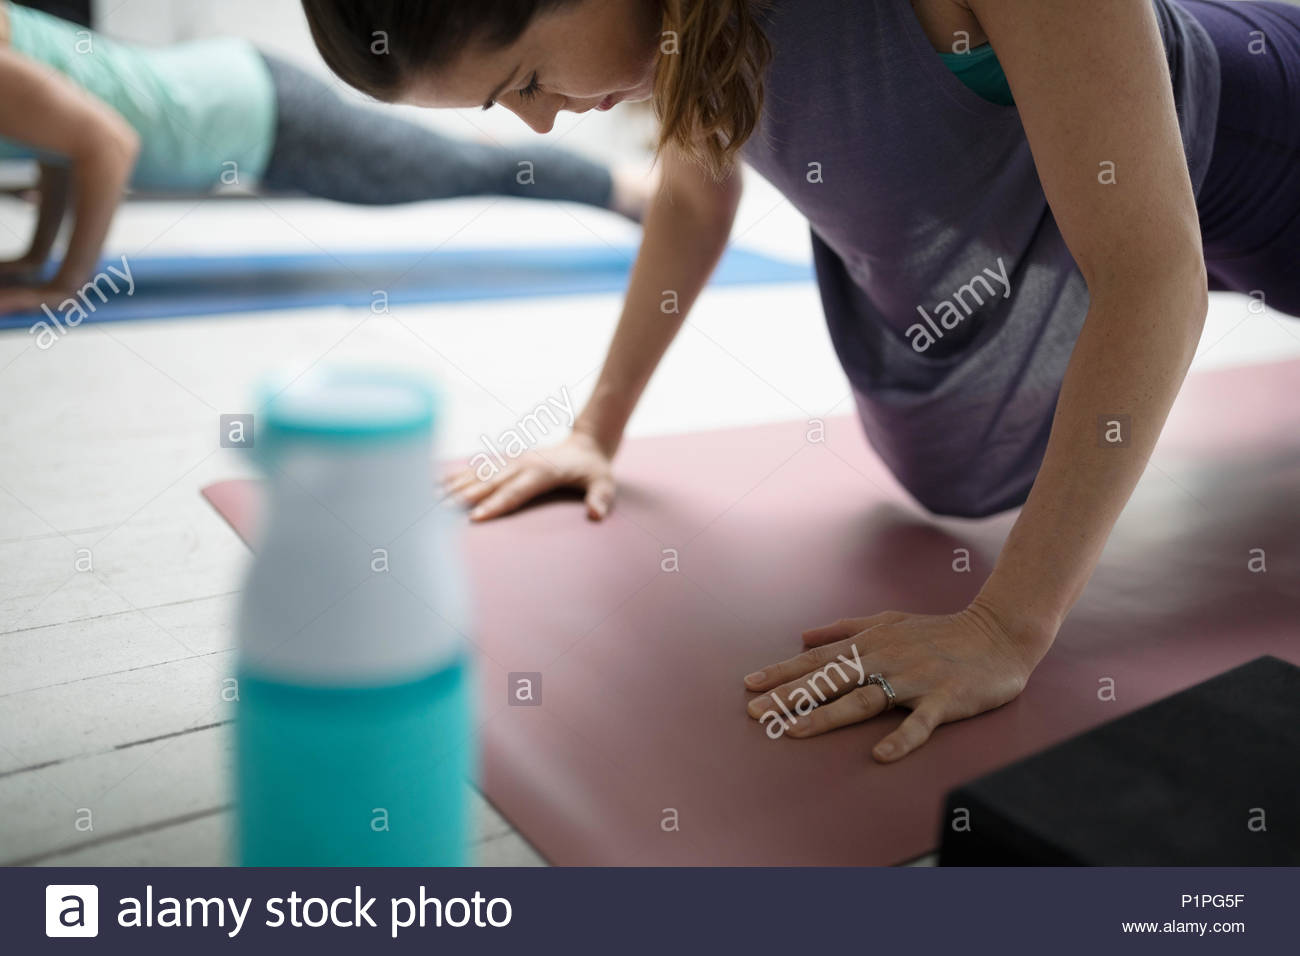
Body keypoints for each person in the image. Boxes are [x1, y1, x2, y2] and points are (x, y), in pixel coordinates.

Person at [302, 0, 1300, 762]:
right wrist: (594, 427)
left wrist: (1005, 624)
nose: (539, 126)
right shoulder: (692, 24)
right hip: (1150, 207)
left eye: (521, 80)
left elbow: (1148, 277)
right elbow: (696, 190)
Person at [0, 1, 650, 315]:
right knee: (450, 158)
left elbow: (105, 145)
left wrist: (65, 284)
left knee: (463, 168)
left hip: (263, 115)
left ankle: (630, 191)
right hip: (242, 97)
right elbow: (62, 144)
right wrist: (37, 258)